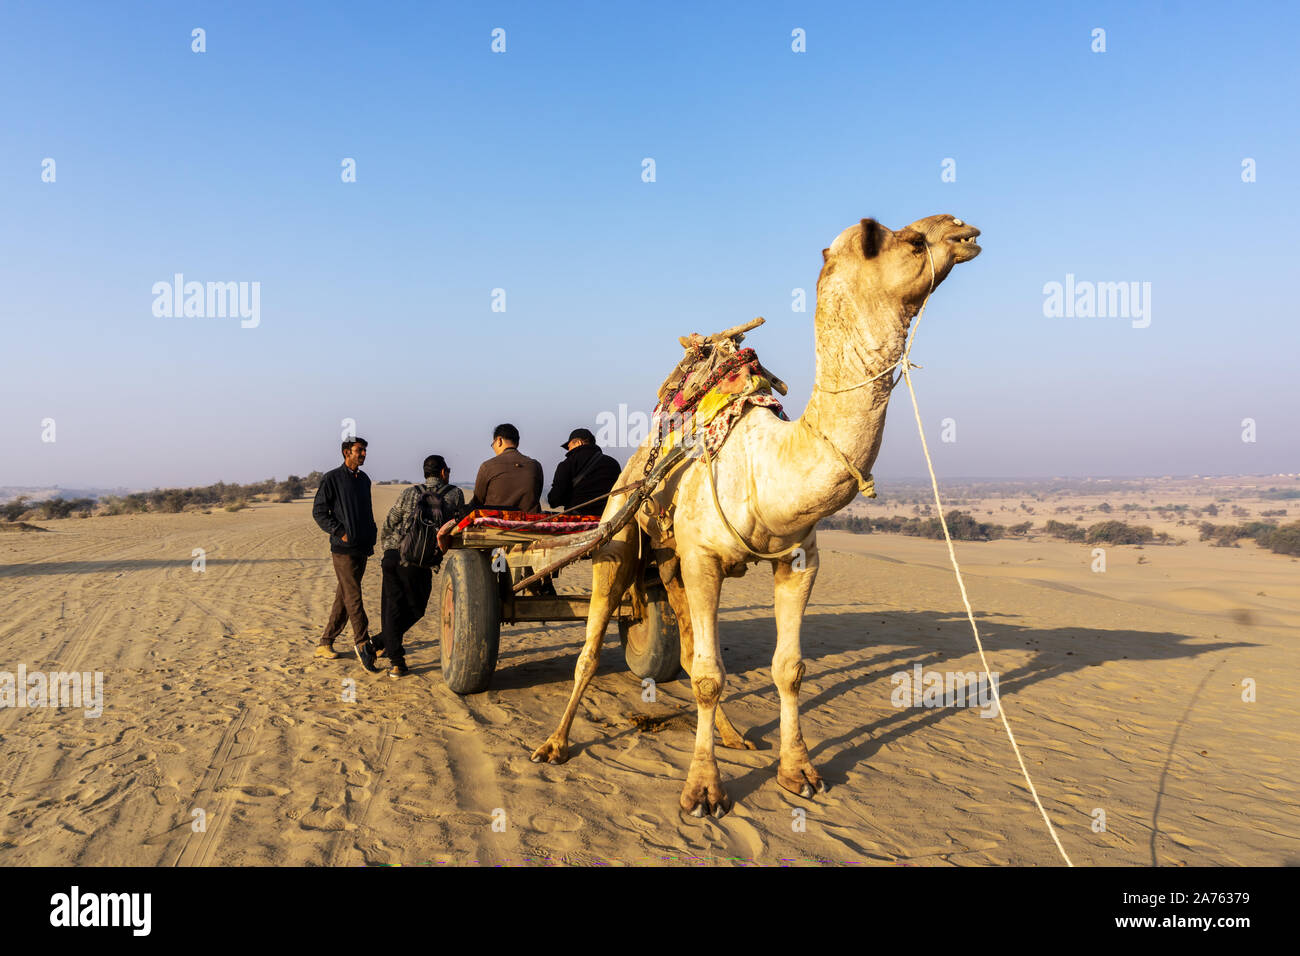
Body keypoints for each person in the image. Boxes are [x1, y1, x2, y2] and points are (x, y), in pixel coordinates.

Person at [374, 455, 464, 679]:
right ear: (443, 472)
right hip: (420, 563)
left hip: (394, 557)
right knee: (416, 610)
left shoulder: (409, 493)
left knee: (393, 608)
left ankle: (380, 648)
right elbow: (457, 527)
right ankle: (394, 660)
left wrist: (390, 548)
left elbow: (389, 523)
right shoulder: (455, 494)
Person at [311, 437, 379, 671]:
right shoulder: (332, 478)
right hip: (343, 549)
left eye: (365, 451)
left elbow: (366, 511)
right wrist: (340, 531)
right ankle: (362, 642)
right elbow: (319, 511)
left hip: (362, 547)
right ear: (346, 453)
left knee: (344, 595)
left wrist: (372, 533)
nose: (363, 454)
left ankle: (325, 642)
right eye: (359, 450)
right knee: (354, 596)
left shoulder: (364, 480)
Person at [463, 423, 543, 513]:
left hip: (494, 524)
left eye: (493, 444)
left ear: (499, 440)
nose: (493, 448)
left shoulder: (487, 466)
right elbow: (536, 496)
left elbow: (478, 502)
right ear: (518, 442)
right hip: (530, 524)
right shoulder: (535, 466)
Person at [548, 427, 621, 516]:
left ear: (579, 443)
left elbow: (554, 500)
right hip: (607, 519)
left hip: (579, 522)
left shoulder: (568, 464)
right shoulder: (613, 463)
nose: (569, 450)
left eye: (569, 446)